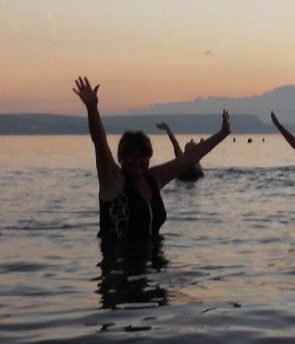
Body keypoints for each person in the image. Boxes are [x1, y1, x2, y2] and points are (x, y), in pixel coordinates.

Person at [75, 76, 229, 241]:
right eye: (129, 156)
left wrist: (222, 134)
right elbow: (99, 141)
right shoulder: (112, 181)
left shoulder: (153, 178)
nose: (136, 162)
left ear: (149, 157)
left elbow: (189, 159)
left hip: (155, 263)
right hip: (120, 264)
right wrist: (92, 108)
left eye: (142, 156)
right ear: (120, 158)